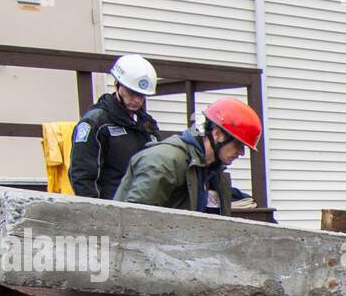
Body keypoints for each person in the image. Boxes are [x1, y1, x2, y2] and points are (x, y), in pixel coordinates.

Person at [114, 99, 261, 215]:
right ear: (217, 134)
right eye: (238, 144)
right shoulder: (164, 162)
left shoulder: (211, 172)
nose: (241, 152)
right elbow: (134, 220)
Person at [68, 55, 161, 199]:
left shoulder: (147, 125)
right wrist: (97, 211)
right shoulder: (95, 123)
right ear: (117, 85)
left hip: (142, 207)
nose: (137, 100)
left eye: (142, 95)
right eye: (131, 92)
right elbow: (82, 175)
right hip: (110, 208)